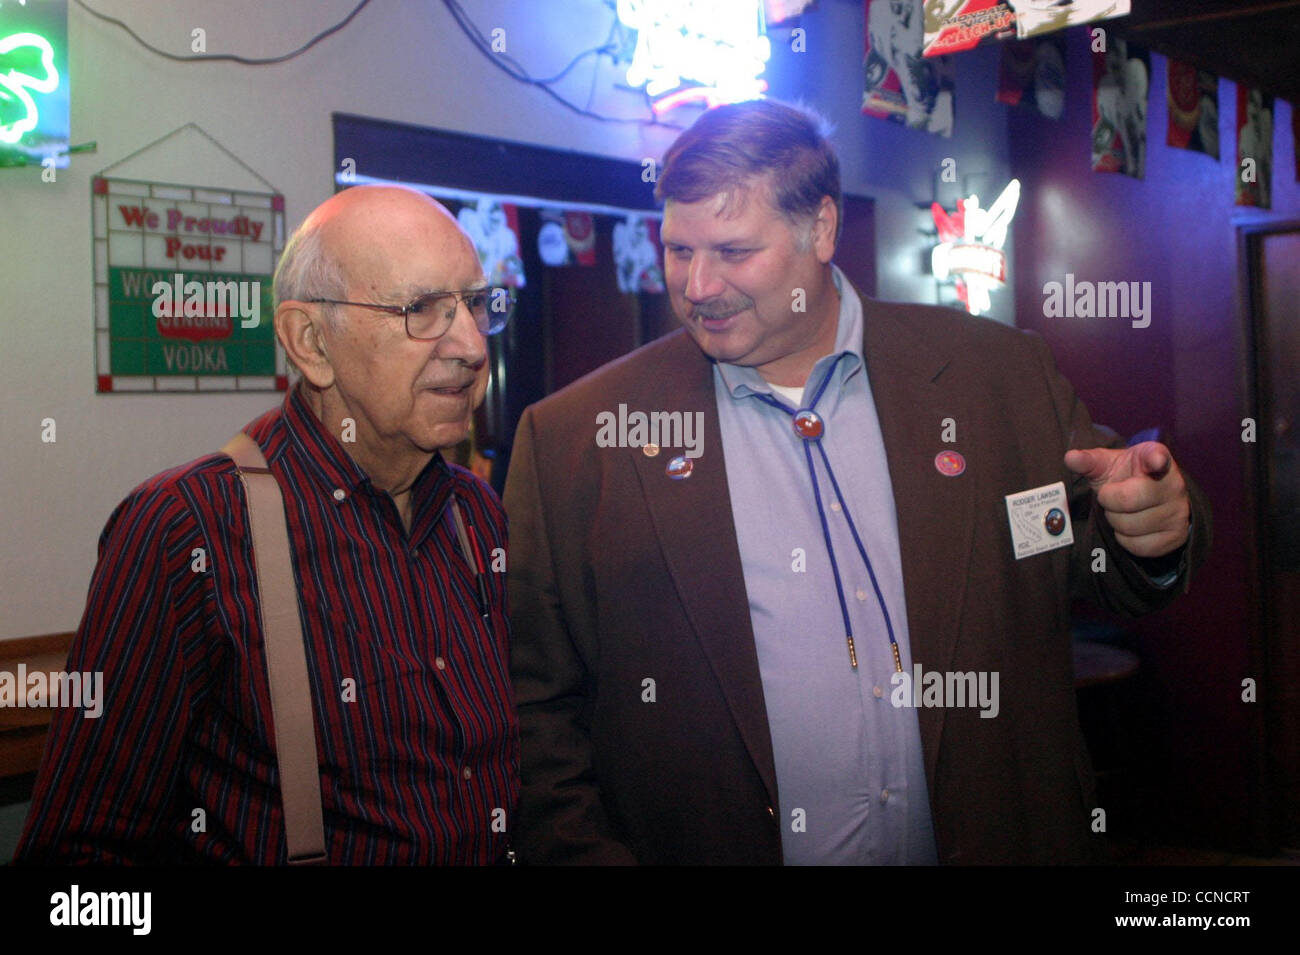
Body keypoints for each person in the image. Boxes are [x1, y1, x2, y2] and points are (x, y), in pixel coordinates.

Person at [505, 100, 1210, 865]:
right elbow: (537, 709)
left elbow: (1106, 541)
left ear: (822, 229)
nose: (697, 285)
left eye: (734, 251)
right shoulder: (577, 438)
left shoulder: (996, 377)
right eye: (678, 249)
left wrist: (1153, 530)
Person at [15, 186, 519, 864]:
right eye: (422, 309)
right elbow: (78, 862)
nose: (470, 346)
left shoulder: (476, 517)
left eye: (477, 306)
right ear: (311, 342)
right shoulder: (187, 529)